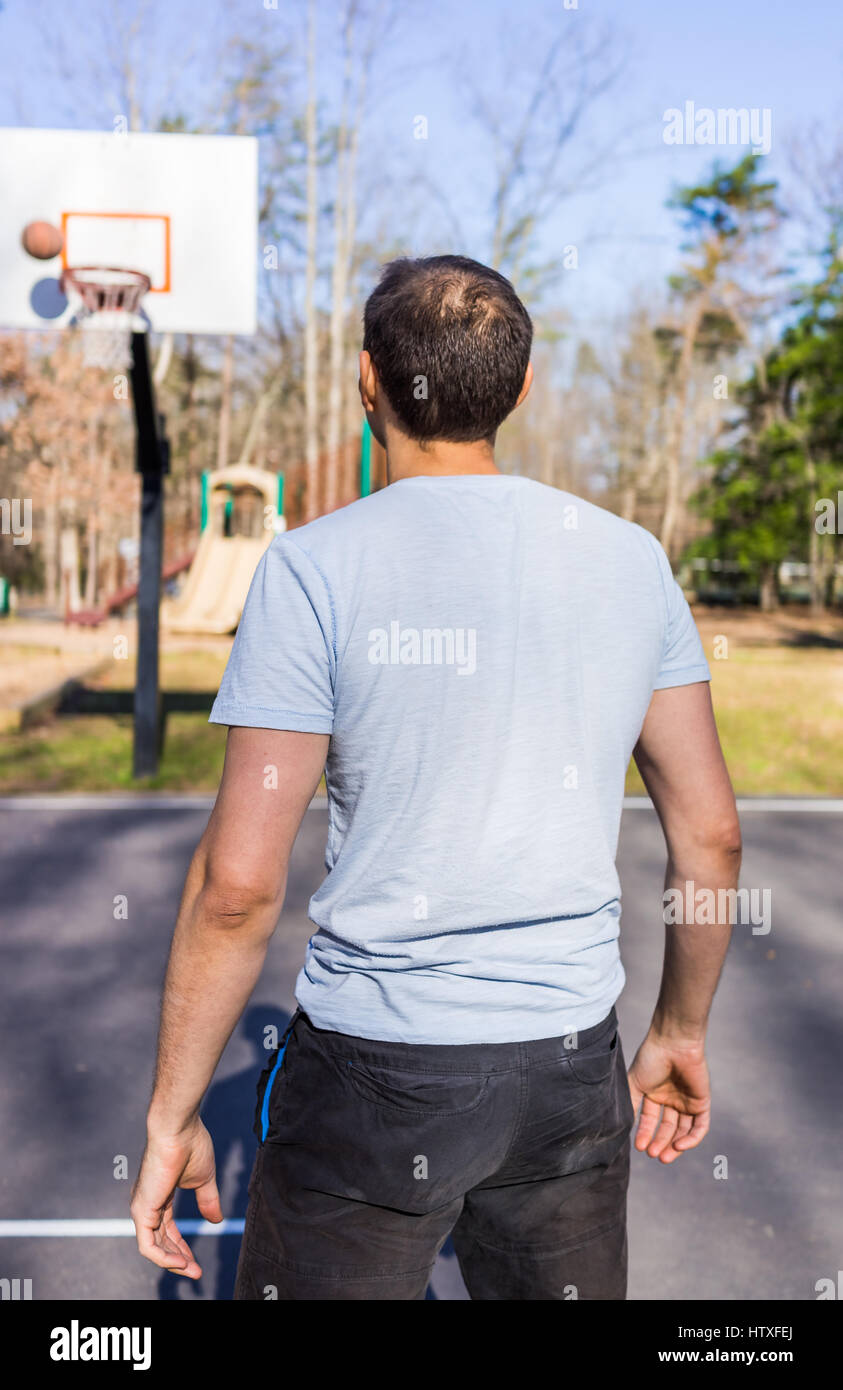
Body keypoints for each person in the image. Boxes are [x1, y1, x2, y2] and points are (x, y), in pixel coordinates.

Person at [131, 254, 741, 1301]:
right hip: (565, 1065)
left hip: (375, 1070)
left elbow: (236, 889)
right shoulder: (629, 557)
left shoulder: (313, 569)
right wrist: (679, 1030)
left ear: (367, 382)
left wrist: (172, 1112)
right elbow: (713, 835)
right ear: (521, 388)